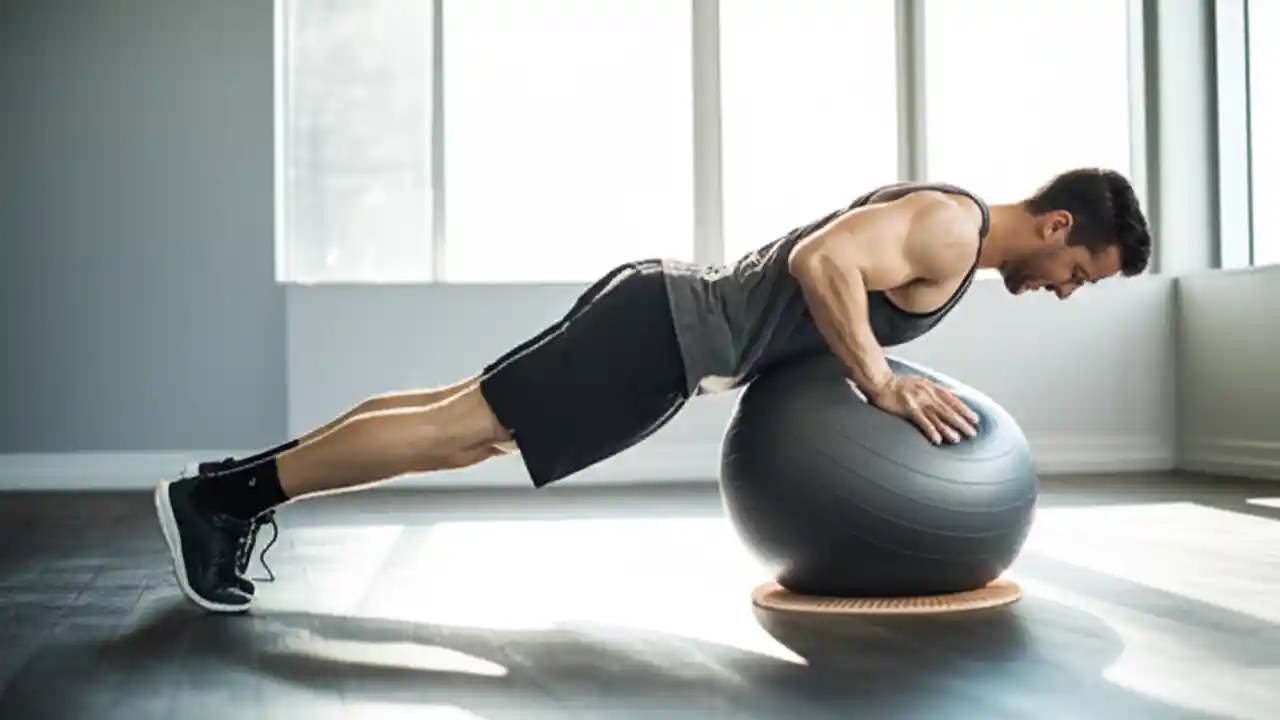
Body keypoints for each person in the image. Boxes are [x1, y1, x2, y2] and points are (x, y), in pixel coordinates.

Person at [156, 167, 1152, 613]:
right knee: (463, 433)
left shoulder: (957, 231)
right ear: (1060, 226)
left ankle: (227, 485)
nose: (1066, 293)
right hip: (666, 332)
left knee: (458, 414)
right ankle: (224, 502)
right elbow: (818, 260)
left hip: (663, 320)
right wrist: (879, 381)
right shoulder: (949, 229)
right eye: (1081, 274)